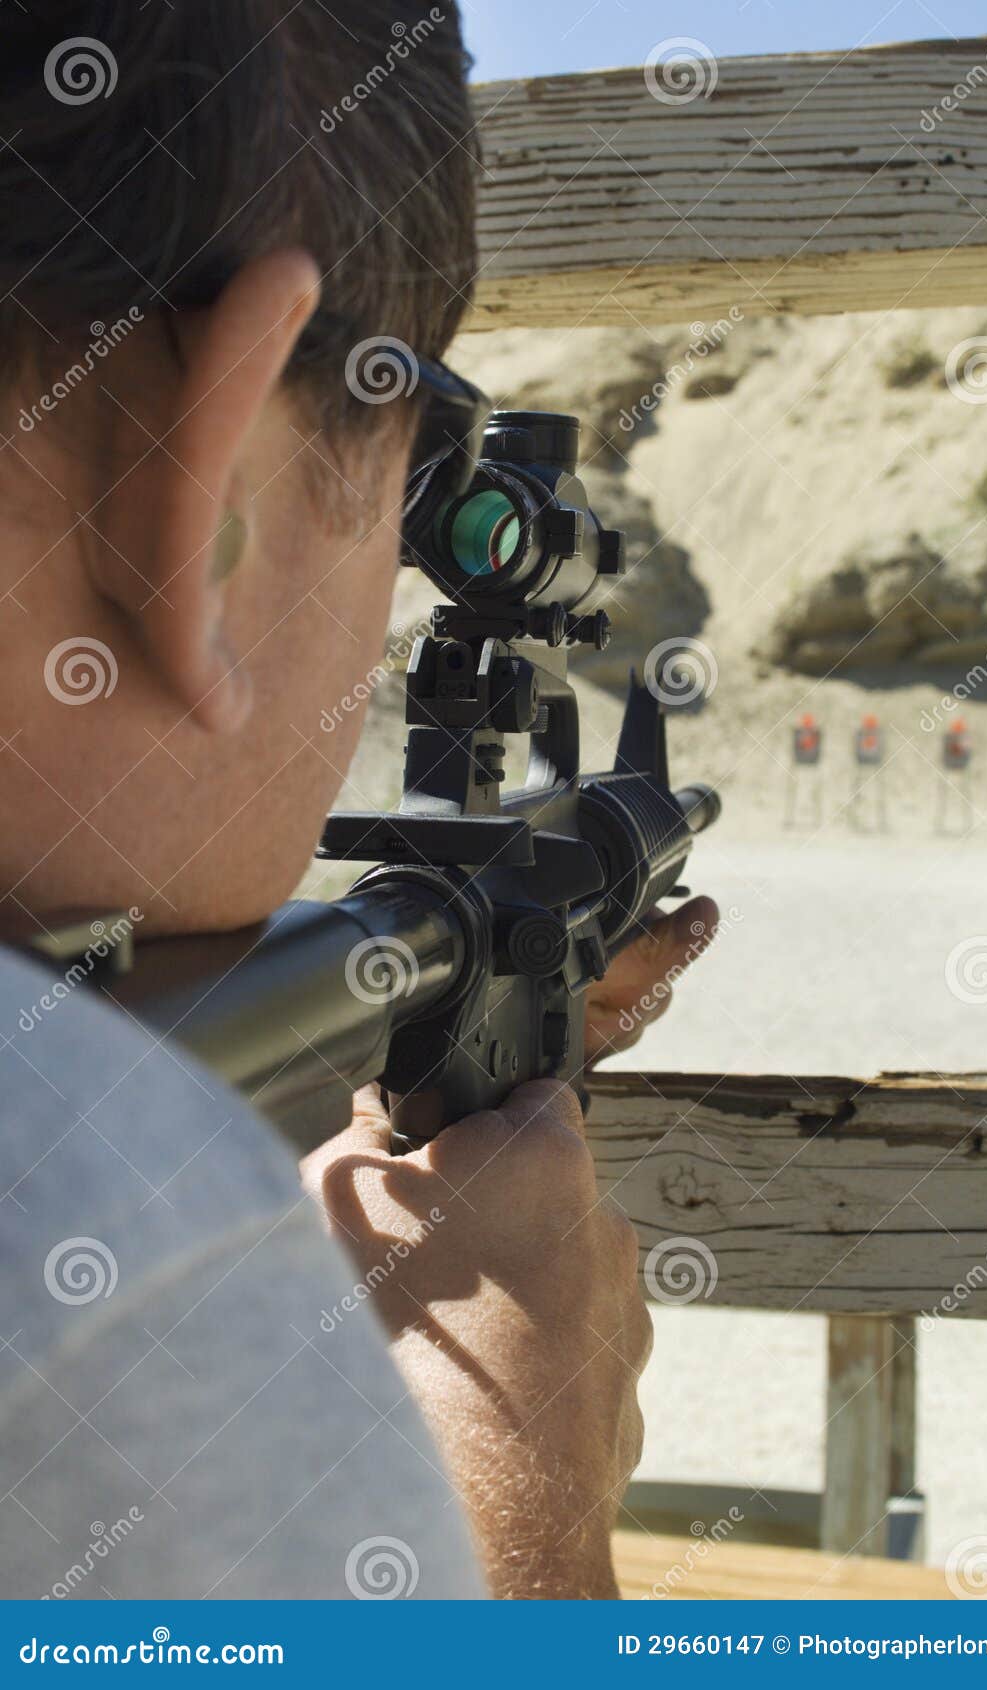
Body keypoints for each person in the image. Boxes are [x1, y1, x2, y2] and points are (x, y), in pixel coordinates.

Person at [0, 3, 716, 1600]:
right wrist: (526, 1482)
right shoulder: (88, 1257)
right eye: (398, 490)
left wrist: (426, 1027)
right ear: (196, 498)